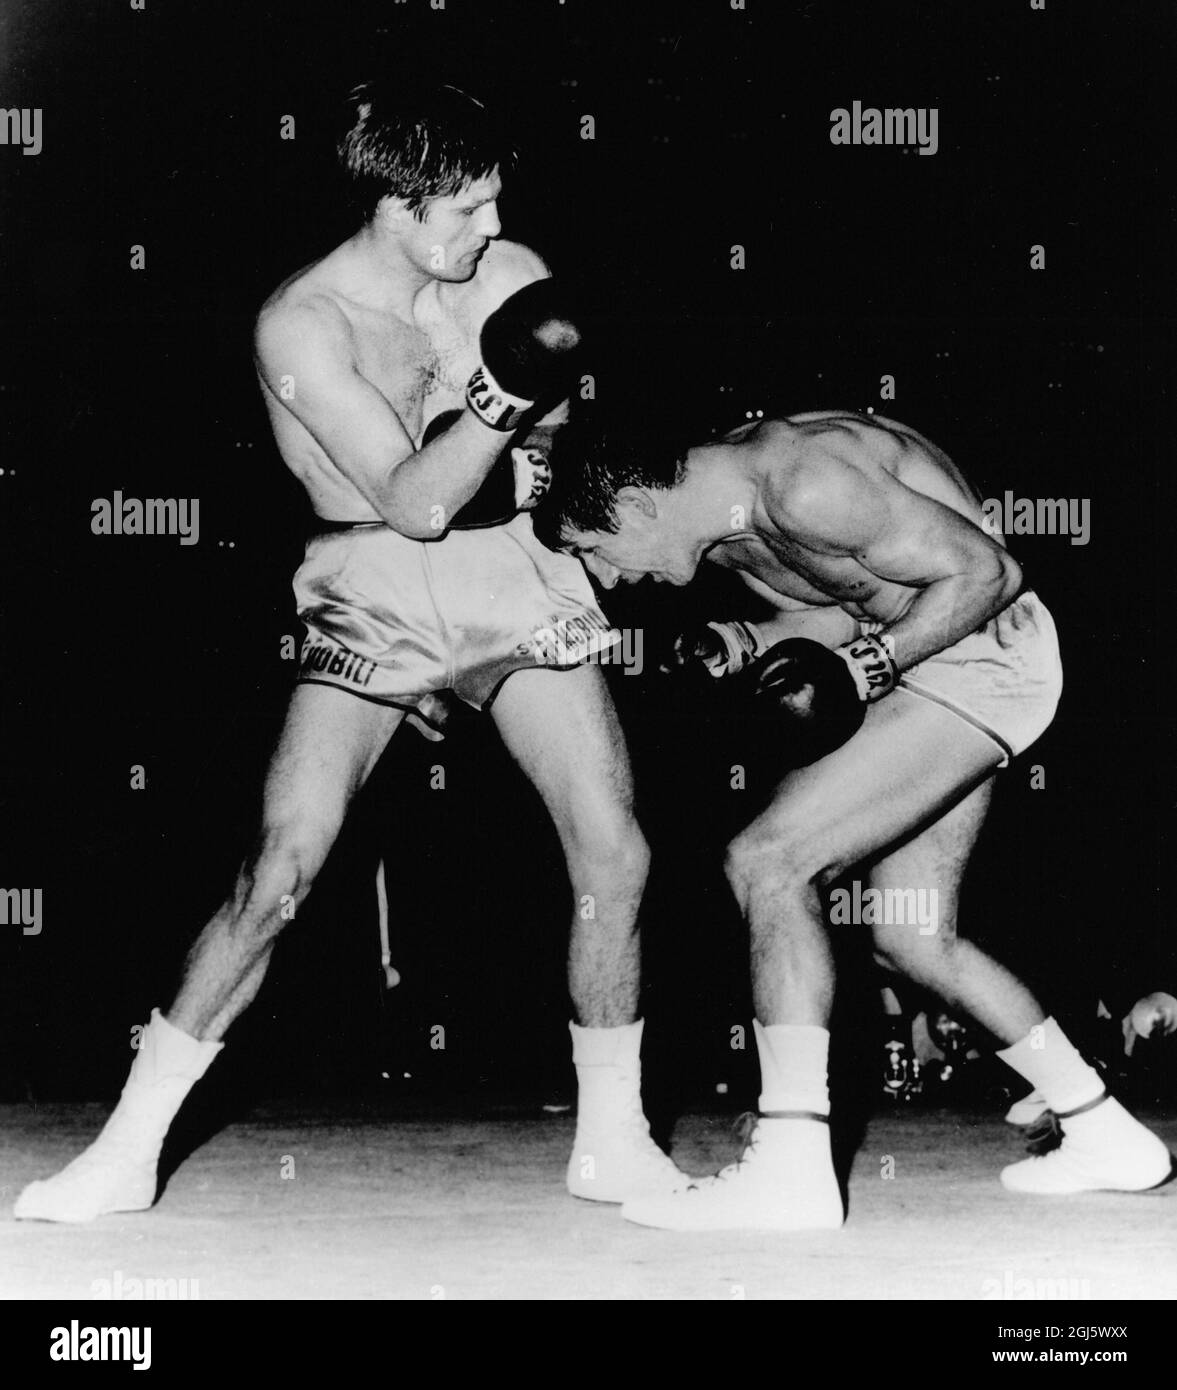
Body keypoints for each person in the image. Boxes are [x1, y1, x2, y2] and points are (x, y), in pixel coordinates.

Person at [14, 81, 685, 1224]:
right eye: (466, 207)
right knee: (285, 865)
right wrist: (496, 393)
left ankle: (612, 1143)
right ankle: (124, 1151)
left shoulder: (510, 273)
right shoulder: (303, 324)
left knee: (614, 852)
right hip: (372, 582)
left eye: (494, 201)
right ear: (395, 201)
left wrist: (534, 442)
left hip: (511, 575)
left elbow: (552, 442)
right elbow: (415, 504)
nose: (490, 227)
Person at [534, 408, 1173, 1230]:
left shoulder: (803, 478)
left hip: (980, 656)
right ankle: (1103, 1133)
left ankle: (792, 1166)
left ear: (633, 507)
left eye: (593, 549)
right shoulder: (728, 516)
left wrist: (866, 667)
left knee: (770, 861)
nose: (607, 579)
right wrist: (746, 638)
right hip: (940, 663)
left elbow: (988, 574)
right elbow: (865, 596)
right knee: (911, 934)